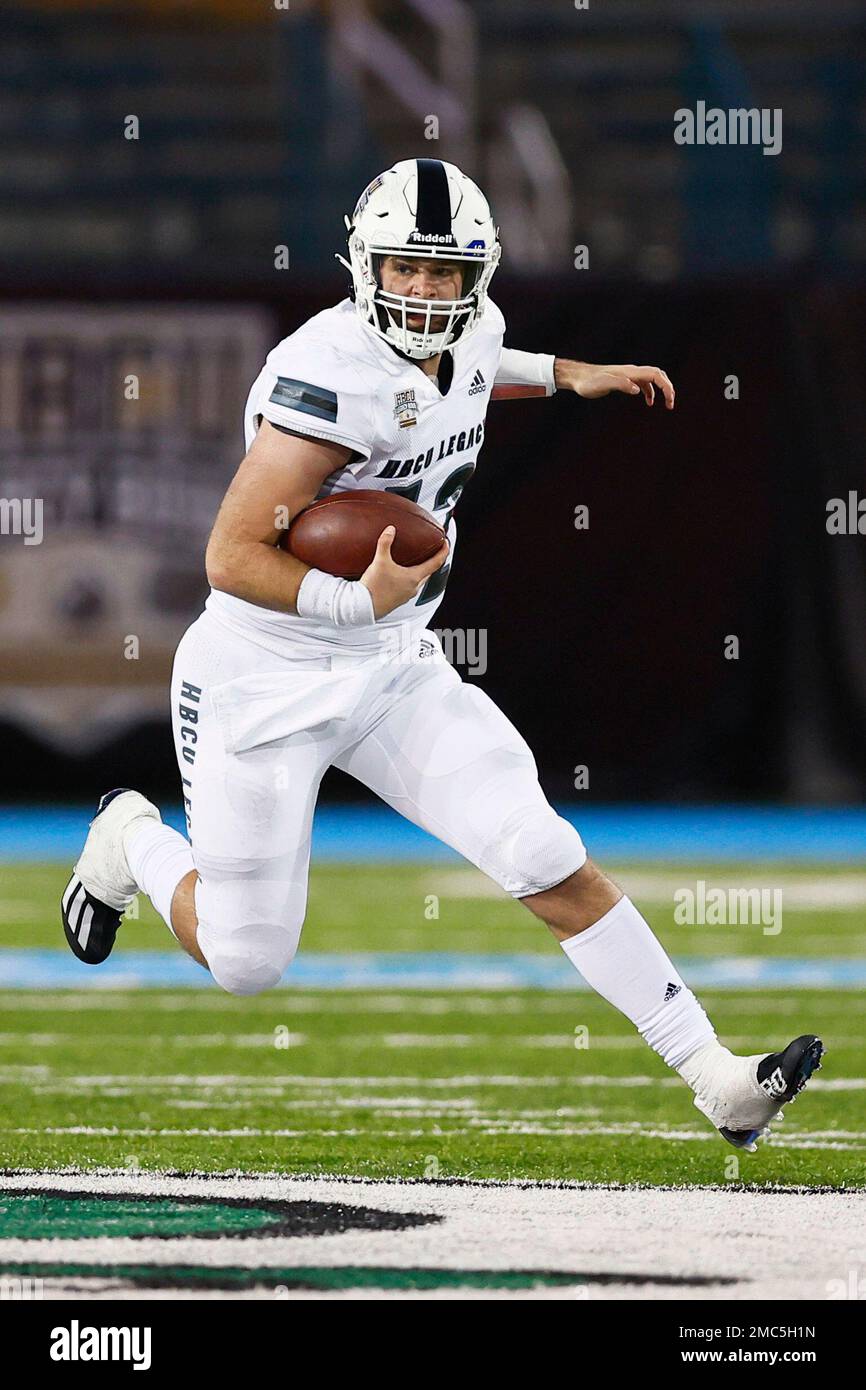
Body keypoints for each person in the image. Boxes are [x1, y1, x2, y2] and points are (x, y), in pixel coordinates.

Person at [62, 158, 822, 1151]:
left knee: (541, 850)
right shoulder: (327, 374)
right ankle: (129, 840)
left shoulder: (477, 327)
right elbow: (230, 552)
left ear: (475, 275)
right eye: (402, 270)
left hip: (389, 663)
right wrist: (348, 594)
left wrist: (564, 374)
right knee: (248, 959)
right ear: (361, 264)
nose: (422, 292)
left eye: (441, 271)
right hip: (265, 671)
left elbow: (473, 369)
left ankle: (716, 1079)